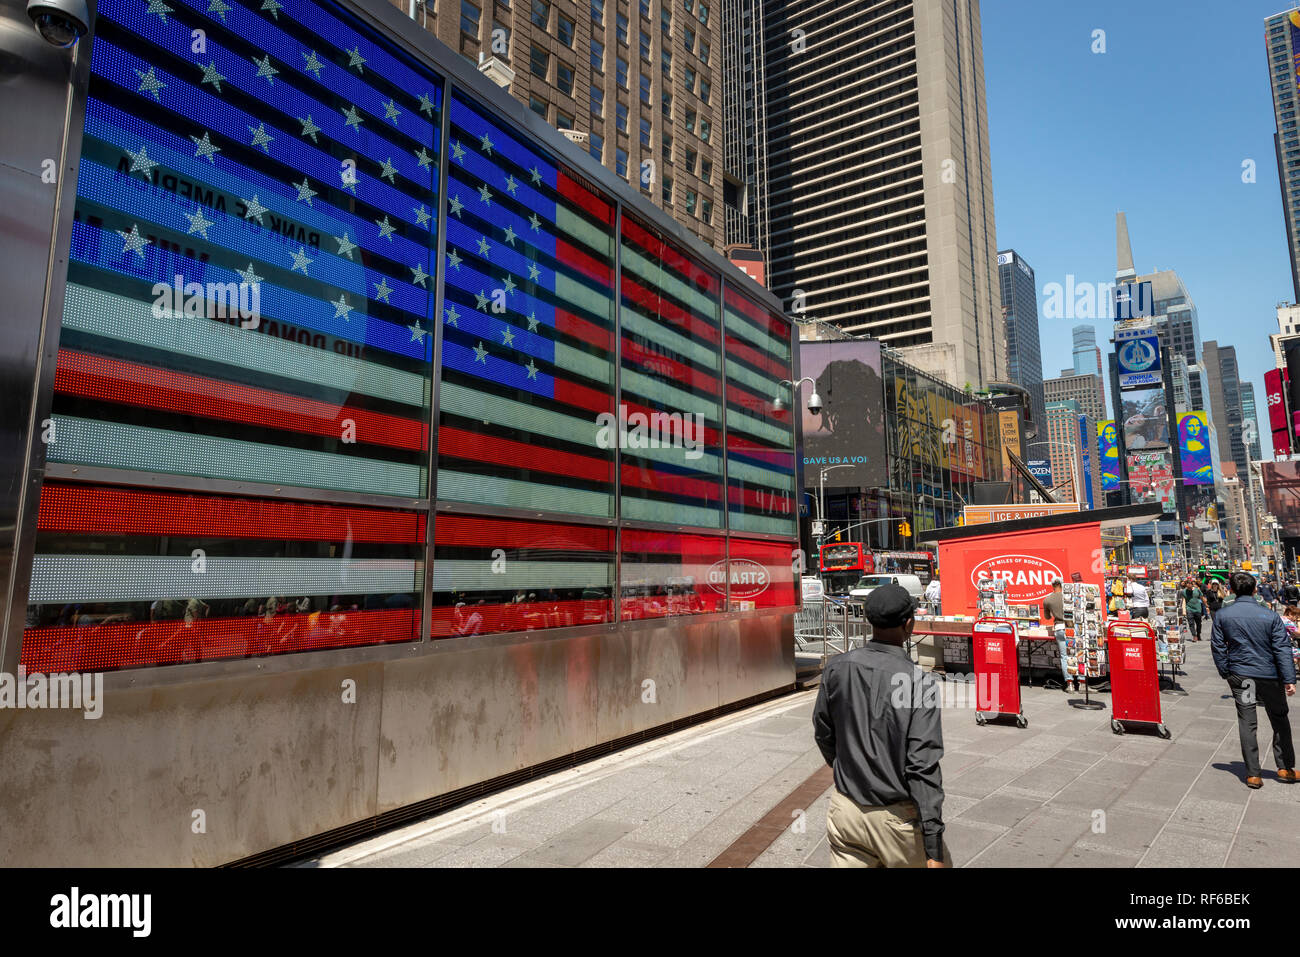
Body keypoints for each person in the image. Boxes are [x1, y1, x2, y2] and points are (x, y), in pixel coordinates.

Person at [812, 583, 950, 868]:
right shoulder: (918, 681)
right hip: (896, 820)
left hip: (845, 810)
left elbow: (823, 731)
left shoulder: (837, 667)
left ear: (868, 621)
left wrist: (848, 767)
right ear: (908, 624)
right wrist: (933, 844)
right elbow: (922, 765)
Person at [1211, 572, 1297, 789]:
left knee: (1247, 722)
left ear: (1230, 590)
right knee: (1279, 719)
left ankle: (1253, 774)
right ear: (1255, 589)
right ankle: (1286, 768)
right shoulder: (1270, 616)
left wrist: (1226, 672)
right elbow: (1282, 648)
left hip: (1242, 675)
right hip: (1270, 676)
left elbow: (1218, 647)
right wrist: (1289, 678)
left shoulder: (1223, 615)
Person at [1042, 580, 1073, 692]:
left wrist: (1052, 612)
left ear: (1052, 586)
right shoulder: (1069, 596)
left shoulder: (1048, 600)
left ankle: (1070, 684)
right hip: (1072, 628)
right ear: (1061, 584)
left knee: (1064, 656)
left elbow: (1047, 617)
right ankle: (1082, 682)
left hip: (1059, 628)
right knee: (1076, 655)